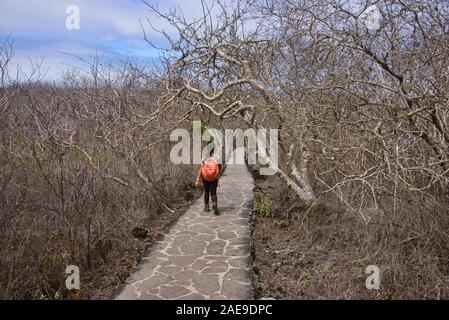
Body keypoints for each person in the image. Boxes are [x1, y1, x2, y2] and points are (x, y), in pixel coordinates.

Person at [195, 146, 222, 215]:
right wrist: (218, 179)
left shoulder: (205, 158)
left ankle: (206, 207)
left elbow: (201, 169)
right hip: (214, 177)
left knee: (206, 191)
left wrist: (197, 179)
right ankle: (214, 203)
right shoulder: (217, 158)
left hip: (205, 177)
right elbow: (219, 170)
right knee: (213, 192)